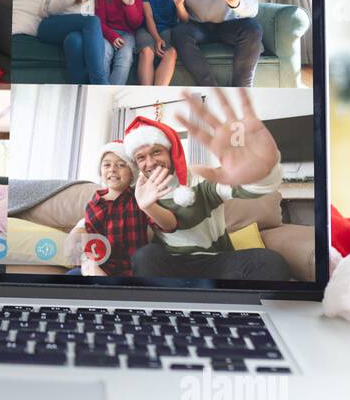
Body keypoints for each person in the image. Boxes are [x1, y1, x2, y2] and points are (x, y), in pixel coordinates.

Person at [122, 91, 292, 281]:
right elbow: (106, 212)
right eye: (141, 158)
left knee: (269, 262)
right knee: (144, 256)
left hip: (214, 261)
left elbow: (242, 189)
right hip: (169, 264)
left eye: (156, 152)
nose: (151, 162)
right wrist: (81, 229)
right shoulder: (138, 191)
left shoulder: (199, 178)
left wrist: (262, 172)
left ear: (171, 152)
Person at [63, 141, 177, 277]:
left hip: (136, 268)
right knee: (72, 275)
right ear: (100, 171)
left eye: (121, 165)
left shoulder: (139, 197)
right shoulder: (93, 206)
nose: (112, 169)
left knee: (148, 253)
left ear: (132, 174)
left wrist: (148, 206)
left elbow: (169, 226)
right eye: (107, 165)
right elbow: (90, 243)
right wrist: (91, 266)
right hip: (104, 269)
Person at [93, 0, 144, 85]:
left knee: (125, 58)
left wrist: (130, 5)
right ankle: (102, 89)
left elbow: (136, 24)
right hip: (107, 33)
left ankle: (114, 92)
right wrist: (112, 36)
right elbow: (99, 22)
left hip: (128, 34)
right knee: (104, 53)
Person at [137, 0, 178, 86]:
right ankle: (146, 94)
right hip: (146, 29)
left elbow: (184, 19)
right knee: (147, 52)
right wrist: (156, 39)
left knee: (171, 53)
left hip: (167, 29)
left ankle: (157, 96)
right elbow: (148, 16)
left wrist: (180, 3)